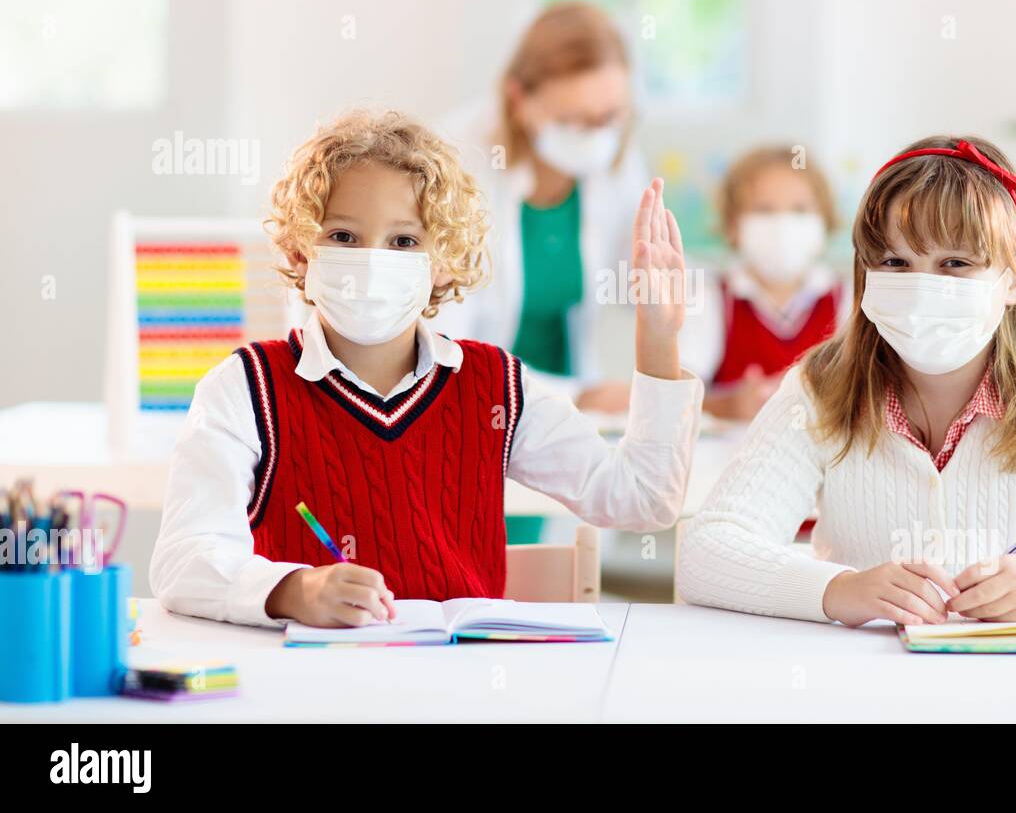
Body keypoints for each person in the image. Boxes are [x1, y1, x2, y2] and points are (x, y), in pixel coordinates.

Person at [151, 109, 702, 628]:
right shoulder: (247, 388)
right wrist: (297, 590)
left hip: (463, 688)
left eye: (403, 241)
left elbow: (642, 498)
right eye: (343, 236)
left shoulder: (494, 386)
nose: (373, 259)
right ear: (300, 252)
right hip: (315, 686)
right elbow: (184, 558)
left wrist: (659, 337)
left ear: (441, 263)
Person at [677, 135, 1016, 627]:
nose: (922, 287)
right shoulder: (821, 390)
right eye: (895, 262)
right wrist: (838, 590)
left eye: (955, 264)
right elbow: (706, 551)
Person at [437, 1, 646, 411]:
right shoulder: (452, 162)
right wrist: (581, 396)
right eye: (575, 120)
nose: (597, 135)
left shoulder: (616, 156)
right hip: (474, 406)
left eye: (610, 116)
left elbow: (638, 283)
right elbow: (442, 349)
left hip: (572, 408)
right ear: (518, 98)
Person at [680, 145, 844, 421]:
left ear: (824, 223)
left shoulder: (849, 300)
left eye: (799, 209)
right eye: (764, 210)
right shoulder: (711, 299)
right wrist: (730, 405)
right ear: (733, 225)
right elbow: (676, 395)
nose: (782, 223)